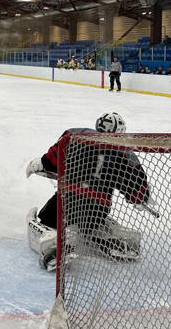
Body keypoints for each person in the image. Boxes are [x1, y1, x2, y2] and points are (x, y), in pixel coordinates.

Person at [24, 112, 150, 270]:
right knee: (91, 225)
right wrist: (140, 198)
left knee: (47, 219)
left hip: (69, 198)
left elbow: (53, 160)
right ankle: (108, 240)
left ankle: (54, 250)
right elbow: (136, 185)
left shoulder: (76, 135)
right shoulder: (125, 153)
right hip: (99, 206)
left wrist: (42, 163)